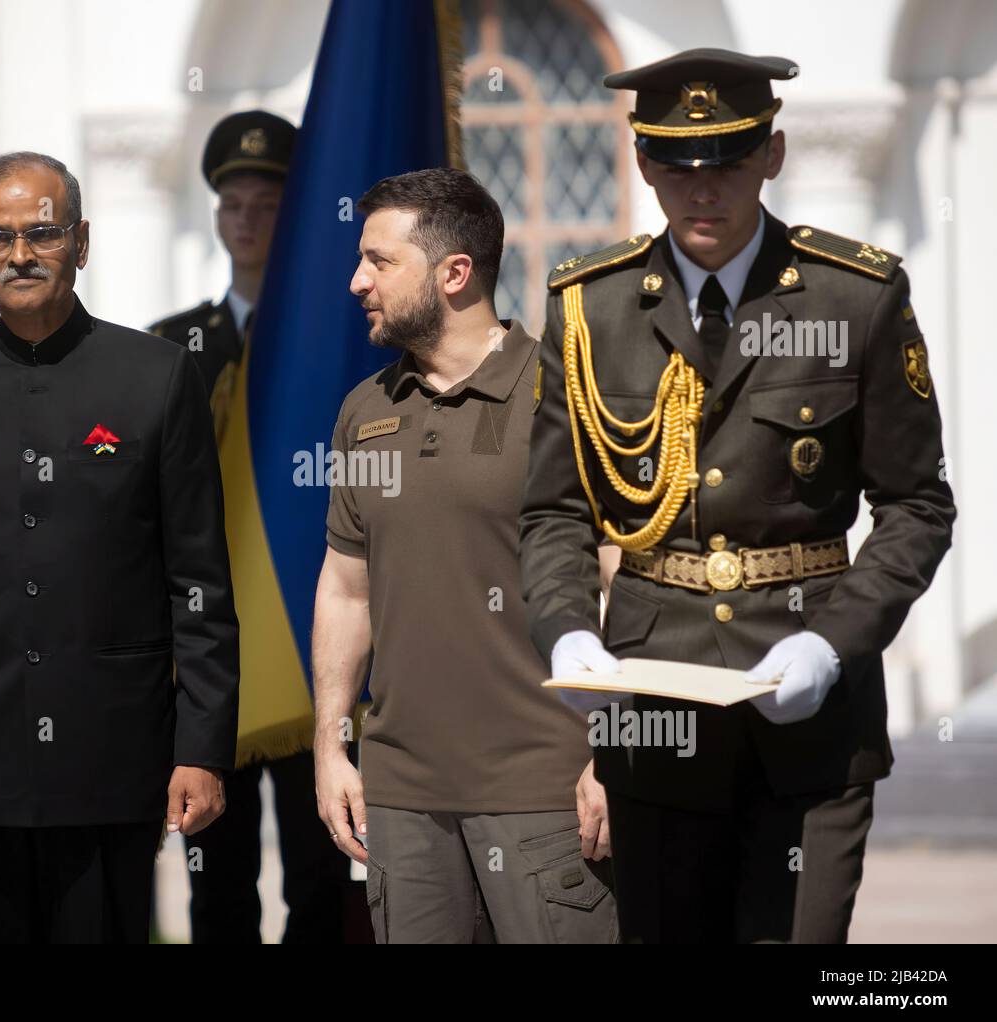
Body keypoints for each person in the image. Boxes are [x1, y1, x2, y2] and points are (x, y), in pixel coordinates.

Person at [519, 49, 955, 943]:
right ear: (642, 163)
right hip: (655, 708)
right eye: (677, 163)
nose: (702, 187)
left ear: (775, 154)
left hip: (809, 716)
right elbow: (555, 510)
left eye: (728, 156)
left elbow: (917, 506)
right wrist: (568, 630)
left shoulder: (857, 295)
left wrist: (833, 647)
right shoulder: (589, 309)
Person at [0, 151, 239, 944]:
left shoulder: (157, 377)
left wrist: (202, 746)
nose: (19, 254)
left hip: (109, 761)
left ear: (82, 241)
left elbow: (199, 584)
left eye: (43, 232)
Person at [313, 167, 618, 944]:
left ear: (454, 273)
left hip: (548, 796)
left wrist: (617, 751)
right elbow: (347, 590)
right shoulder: (365, 411)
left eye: (380, 261)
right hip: (403, 802)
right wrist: (330, 743)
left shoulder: (565, 394)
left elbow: (622, 584)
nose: (357, 281)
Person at [150, 111, 359, 943]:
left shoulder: (333, 339)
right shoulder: (174, 347)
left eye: (266, 203)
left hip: (312, 639)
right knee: (218, 881)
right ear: (214, 218)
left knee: (318, 872)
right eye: (233, 204)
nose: (247, 219)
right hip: (208, 651)